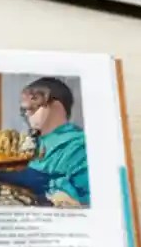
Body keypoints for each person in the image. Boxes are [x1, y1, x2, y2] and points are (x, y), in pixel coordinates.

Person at [18, 77, 90, 206]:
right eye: (24, 110)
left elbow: (91, 200)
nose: (27, 114)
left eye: (33, 107)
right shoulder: (29, 145)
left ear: (56, 107)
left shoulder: (80, 145)